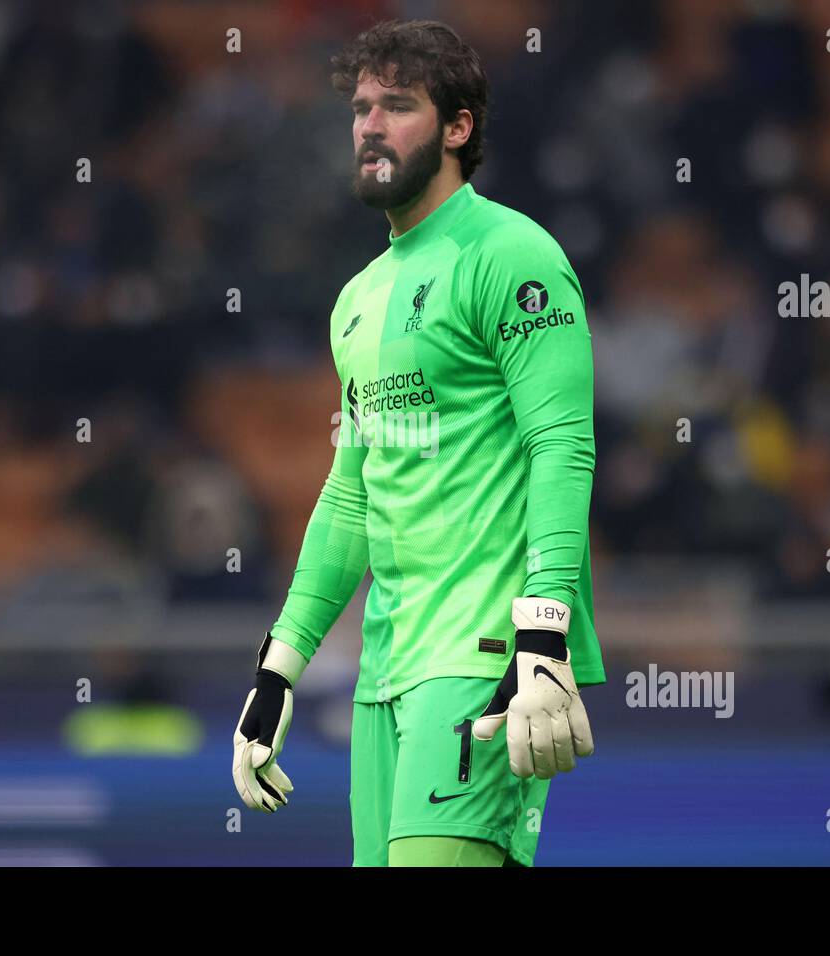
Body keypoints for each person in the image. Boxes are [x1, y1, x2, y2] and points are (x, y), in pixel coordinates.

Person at [232, 19, 606, 867]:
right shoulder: (359, 298)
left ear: (458, 127)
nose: (369, 125)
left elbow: (563, 445)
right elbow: (352, 495)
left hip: (483, 656)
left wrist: (543, 631)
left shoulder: (513, 255)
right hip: (384, 674)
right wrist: (279, 666)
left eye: (397, 106)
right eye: (361, 107)